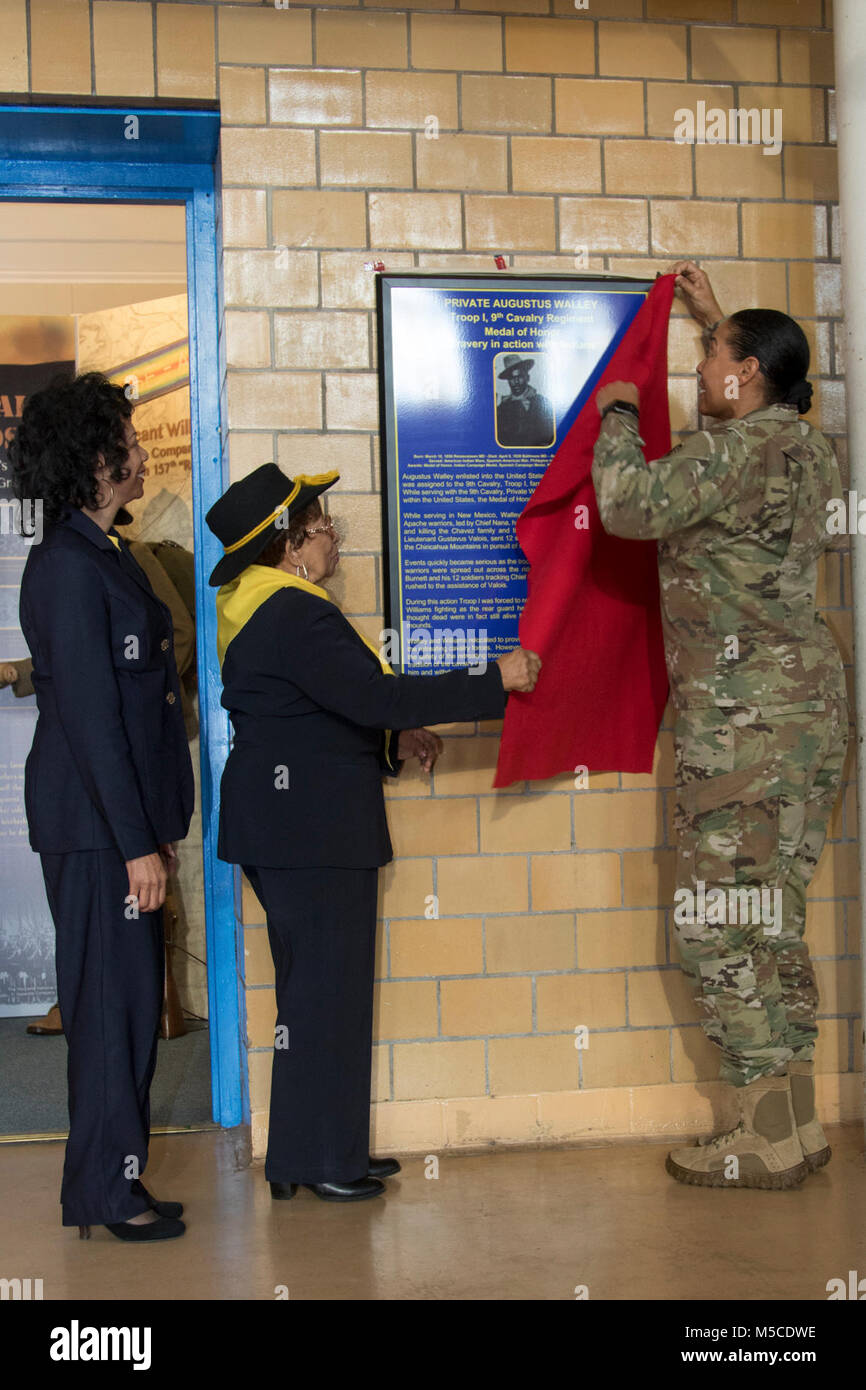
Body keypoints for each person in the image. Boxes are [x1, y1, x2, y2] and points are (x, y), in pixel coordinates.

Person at [206, 463, 541, 1203]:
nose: (334, 539)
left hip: (291, 826)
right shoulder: (295, 613)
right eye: (323, 527)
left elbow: (325, 710)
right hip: (312, 830)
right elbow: (373, 693)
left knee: (314, 991)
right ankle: (322, 1159)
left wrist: (394, 738)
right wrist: (495, 678)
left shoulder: (260, 604)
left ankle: (311, 1152)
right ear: (288, 543)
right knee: (325, 991)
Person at [590, 261, 847, 1191]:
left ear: (746, 377)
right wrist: (717, 317)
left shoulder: (723, 456)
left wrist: (620, 411)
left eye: (712, 358)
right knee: (771, 917)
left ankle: (753, 1130)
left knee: (714, 922)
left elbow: (625, 505)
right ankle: (795, 1126)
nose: (699, 371)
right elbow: (751, 406)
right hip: (811, 717)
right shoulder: (812, 449)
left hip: (740, 731)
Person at [10, 371, 194, 1240]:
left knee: (126, 1010)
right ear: (96, 459)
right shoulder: (64, 568)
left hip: (112, 827)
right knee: (109, 1014)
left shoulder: (104, 553)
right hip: (94, 834)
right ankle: (102, 1194)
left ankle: (122, 1179)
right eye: (128, 435)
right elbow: (90, 723)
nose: (141, 448)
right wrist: (135, 846)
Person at [496, 354, 555, 447]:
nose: (516, 382)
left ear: (527, 377)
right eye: (511, 378)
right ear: (508, 381)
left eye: (520, 377)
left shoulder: (542, 403)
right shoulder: (502, 409)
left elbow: (550, 439)